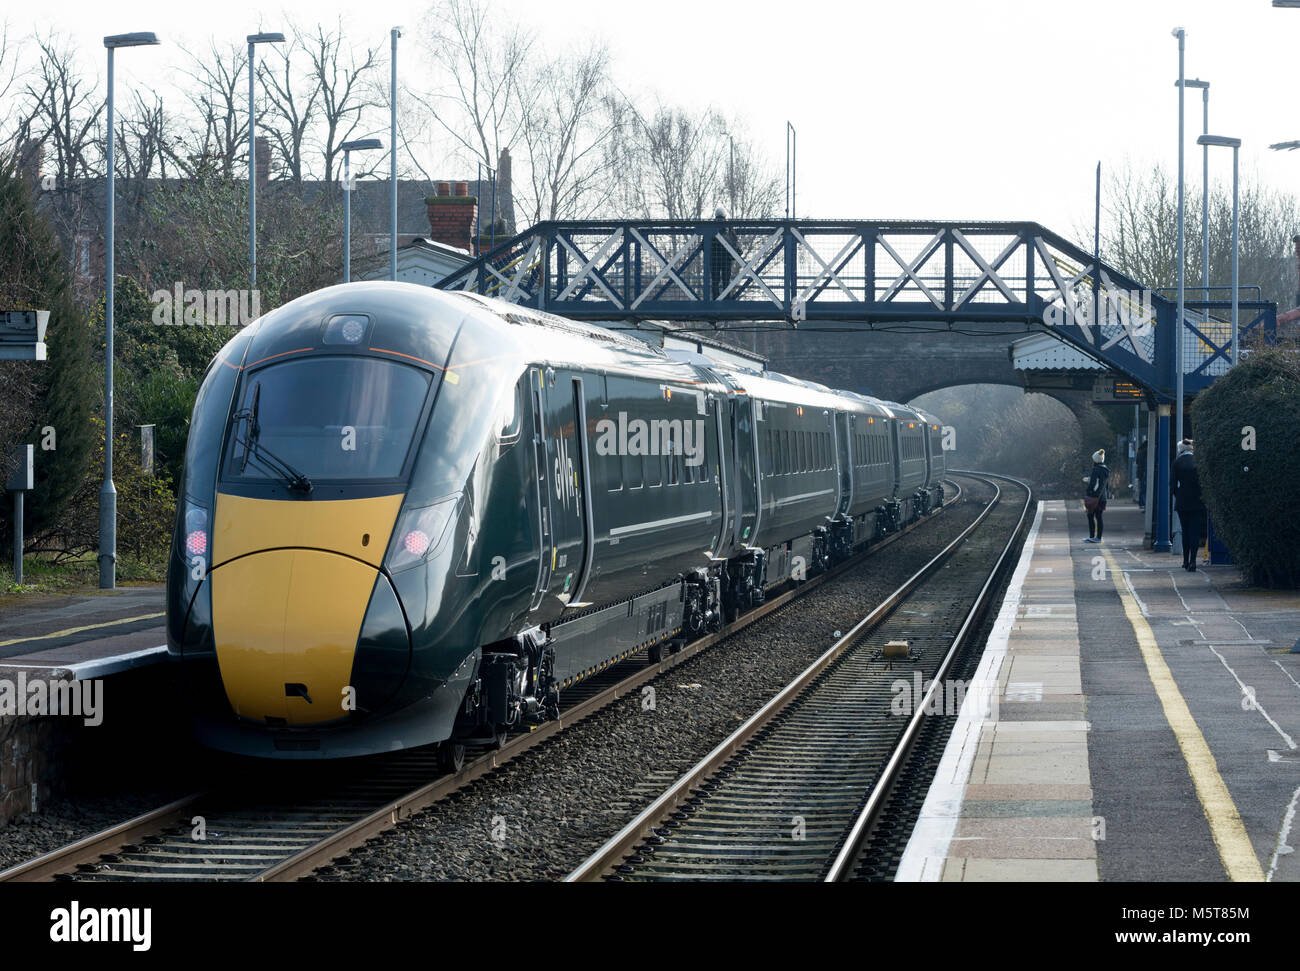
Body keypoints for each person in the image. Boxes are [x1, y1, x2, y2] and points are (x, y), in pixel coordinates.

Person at [1171, 439, 1205, 571]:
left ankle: (1185, 560)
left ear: (1181, 449)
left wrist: (1178, 496)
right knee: (1195, 532)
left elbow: (1172, 485)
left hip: (1182, 502)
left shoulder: (1177, 463)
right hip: (1197, 501)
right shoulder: (1198, 462)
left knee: (1185, 531)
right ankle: (1193, 561)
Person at [710, 206, 741, 299]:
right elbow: (734, 240)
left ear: (716, 215)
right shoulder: (729, 227)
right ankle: (726, 299)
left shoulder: (710, 226)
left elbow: (704, 244)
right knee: (726, 280)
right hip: (726, 258)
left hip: (714, 258)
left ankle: (715, 299)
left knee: (715, 281)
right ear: (725, 215)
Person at [1083, 448, 1109, 543]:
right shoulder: (1106, 469)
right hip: (1102, 497)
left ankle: (1092, 536)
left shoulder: (1096, 470)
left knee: (1090, 516)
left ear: (1095, 460)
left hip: (1094, 497)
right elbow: (1105, 485)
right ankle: (1098, 537)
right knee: (1099, 517)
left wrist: (1088, 492)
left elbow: (1093, 483)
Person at [1135, 437, 1148, 510]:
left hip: (1139, 472)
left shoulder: (1139, 451)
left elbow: (1137, 462)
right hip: (1144, 472)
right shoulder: (1146, 451)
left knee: (1141, 489)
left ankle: (1141, 503)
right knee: (1144, 489)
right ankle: (1144, 504)